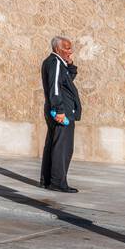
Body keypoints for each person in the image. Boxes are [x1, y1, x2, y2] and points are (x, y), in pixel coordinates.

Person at [40, 36, 82, 192]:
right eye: (67, 48)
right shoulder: (55, 63)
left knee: (54, 146)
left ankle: (48, 181)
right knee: (63, 148)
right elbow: (55, 89)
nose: (70, 51)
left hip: (60, 110)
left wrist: (70, 66)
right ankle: (58, 182)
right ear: (57, 49)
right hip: (61, 112)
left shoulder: (57, 63)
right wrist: (59, 110)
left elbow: (66, 83)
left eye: (71, 48)